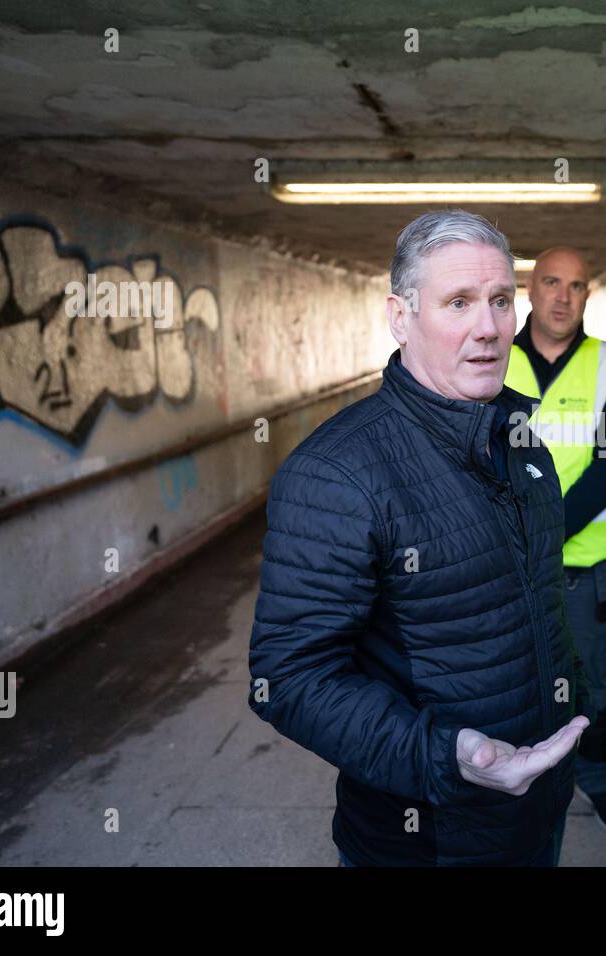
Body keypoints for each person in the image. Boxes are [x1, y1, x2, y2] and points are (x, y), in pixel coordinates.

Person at [248, 210, 588, 867]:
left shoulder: (522, 443)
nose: (488, 328)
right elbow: (288, 676)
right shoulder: (337, 473)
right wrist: (452, 756)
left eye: (499, 301)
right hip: (424, 840)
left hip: (535, 812)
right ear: (400, 317)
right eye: (457, 303)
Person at [504, 247, 606, 835]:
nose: (563, 296)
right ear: (529, 291)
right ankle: (510, 774)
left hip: (582, 566)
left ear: (589, 296)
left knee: (589, 679)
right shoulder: (490, 359)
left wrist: (547, 531)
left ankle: (598, 775)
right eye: (551, 282)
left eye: (577, 286)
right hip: (503, 560)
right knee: (502, 672)